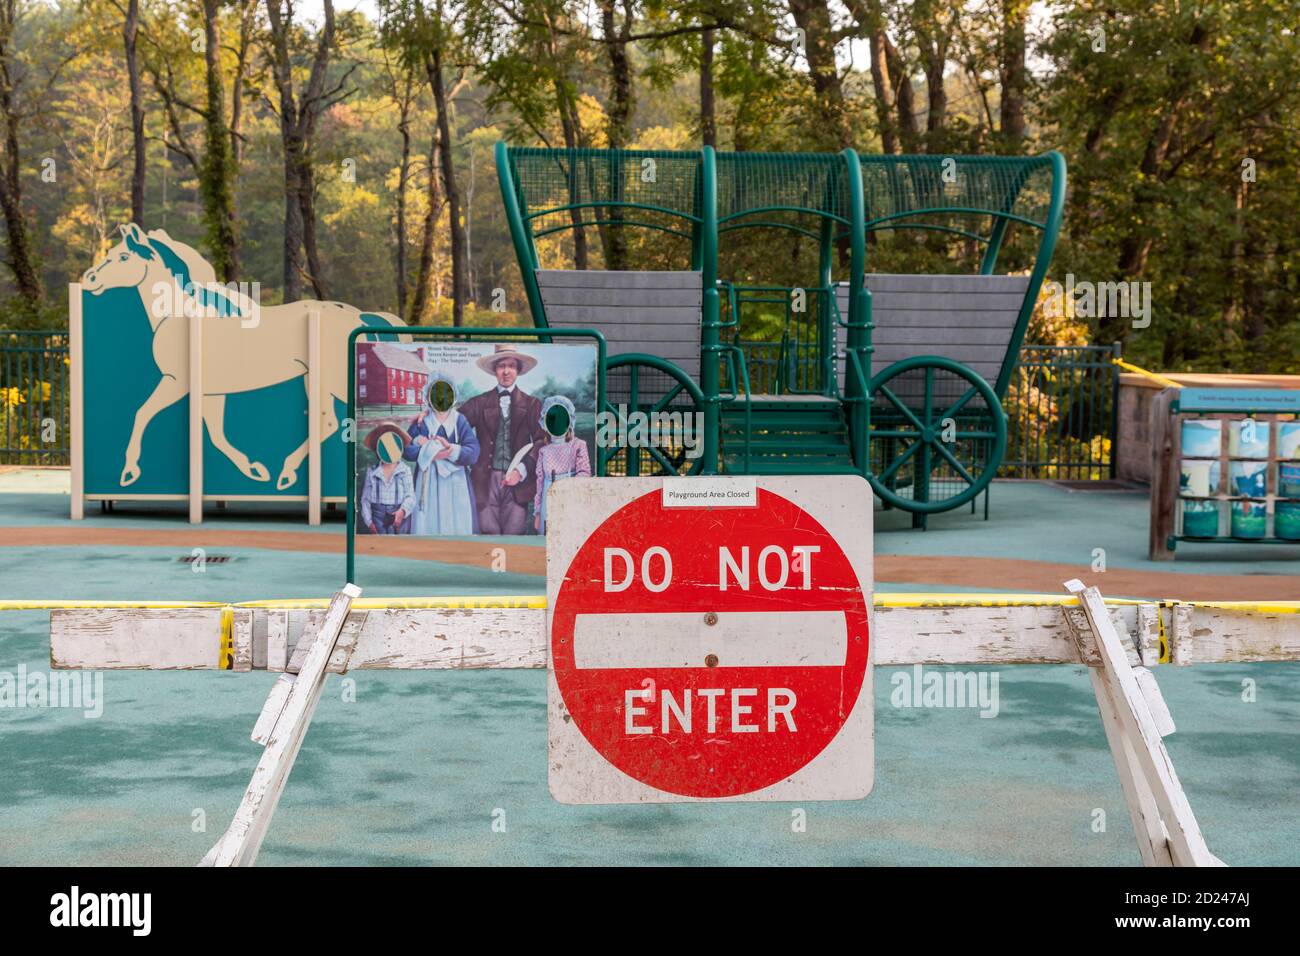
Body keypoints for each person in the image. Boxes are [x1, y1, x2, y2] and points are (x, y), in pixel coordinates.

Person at [458, 344, 546, 534]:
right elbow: (454, 424)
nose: (506, 371)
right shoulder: (478, 403)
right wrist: (430, 414)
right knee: (488, 534)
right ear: (494, 371)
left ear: (518, 370)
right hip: (485, 481)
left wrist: (521, 471)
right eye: (501, 366)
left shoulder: (532, 404)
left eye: (511, 366)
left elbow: (542, 442)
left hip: (518, 483)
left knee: (514, 535)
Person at [403, 374, 480, 535]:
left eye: (446, 394)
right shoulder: (422, 422)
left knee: (457, 521)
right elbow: (407, 451)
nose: (441, 398)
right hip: (427, 481)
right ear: (429, 397)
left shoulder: (459, 421)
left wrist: (449, 451)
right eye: (437, 394)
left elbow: (473, 452)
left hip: (456, 482)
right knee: (427, 521)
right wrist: (423, 446)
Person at [533, 395, 591, 534]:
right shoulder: (544, 451)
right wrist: (538, 512)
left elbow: (584, 472)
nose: (557, 423)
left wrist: (567, 488)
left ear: (569, 420)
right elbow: (540, 483)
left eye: (561, 418)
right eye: (552, 419)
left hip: (571, 497)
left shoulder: (578, 445)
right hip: (548, 498)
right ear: (545, 423)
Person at [359, 422, 415, 534]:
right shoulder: (373, 472)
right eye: (384, 444)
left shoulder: (404, 470)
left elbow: (410, 496)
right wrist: (369, 522)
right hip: (377, 516)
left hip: (399, 514)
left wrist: (402, 511)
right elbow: (365, 500)